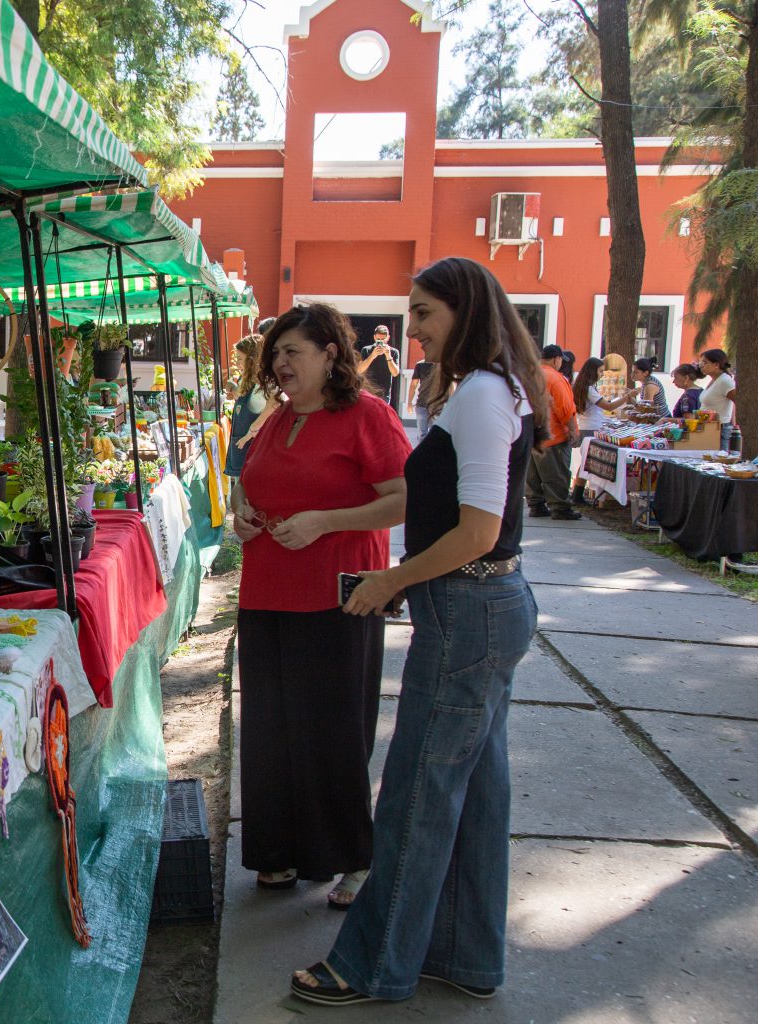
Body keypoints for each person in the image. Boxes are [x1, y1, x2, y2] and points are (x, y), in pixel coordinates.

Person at [291, 256, 544, 1007]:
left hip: (470, 609)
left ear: (466, 313)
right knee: (474, 795)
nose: (413, 328)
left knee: (417, 794)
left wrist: (390, 579)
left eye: (425, 313)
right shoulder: (488, 392)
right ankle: (464, 954)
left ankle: (373, 963)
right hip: (483, 611)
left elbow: (478, 532)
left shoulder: (484, 398)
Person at [233, 303, 411, 909]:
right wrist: (242, 516)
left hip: (341, 597)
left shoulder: (369, 416)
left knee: (334, 730)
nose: (280, 363)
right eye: (275, 353)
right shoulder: (276, 420)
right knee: (270, 728)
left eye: (294, 352)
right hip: (266, 592)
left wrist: (324, 523)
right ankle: (281, 850)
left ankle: (353, 858)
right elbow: (247, 483)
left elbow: (404, 500)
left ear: (330, 354)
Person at [569, 357, 637, 505]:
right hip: (591, 428)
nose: (602, 375)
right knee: (587, 462)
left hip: (589, 426)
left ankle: (577, 494)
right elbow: (609, 407)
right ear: (592, 371)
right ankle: (577, 495)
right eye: (600, 371)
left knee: (586, 462)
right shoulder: (588, 389)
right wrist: (627, 397)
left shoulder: (586, 387)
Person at [526, 345, 580, 520]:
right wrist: (572, 429)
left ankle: (536, 505)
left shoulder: (528, 374)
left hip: (530, 433)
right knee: (556, 473)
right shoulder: (555, 378)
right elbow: (564, 407)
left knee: (533, 474)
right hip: (553, 434)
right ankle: (560, 507)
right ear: (557, 359)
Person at [225, 334, 270, 480]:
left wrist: (252, 430)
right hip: (244, 460)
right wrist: (233, 388)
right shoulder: (252, 383)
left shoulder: (264, 385)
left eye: (240, 359)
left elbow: (277, 402)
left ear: (252, 360)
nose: (237, 364)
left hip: (252, 463)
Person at [698, 347, 737, 450]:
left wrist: (734, 425)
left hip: (720, 430)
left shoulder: (725, 381)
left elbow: (737, 402)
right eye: (701, 362)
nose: (701, 366)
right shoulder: (715, 380)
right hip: (708, 428)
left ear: (716, 364)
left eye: (705, 362)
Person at [357, 324, 401, 409]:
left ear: (388, 338)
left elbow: (395, 373)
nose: (380, 342)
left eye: (383, 340)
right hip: (368, 390)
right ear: (374, 338)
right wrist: (372, 355)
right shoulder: (366, 350)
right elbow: (359, 370)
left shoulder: (394, 352)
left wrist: (388, 356)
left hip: (384, 392)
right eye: (378, 340)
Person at [407, 356, 436, 438]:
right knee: (424, 435)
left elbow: (450, 385)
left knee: (430, 435)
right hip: (423, 404)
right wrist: (409, 403)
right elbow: (413, 385)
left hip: (437, 405)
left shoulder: (444, 364)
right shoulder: (420, 365)